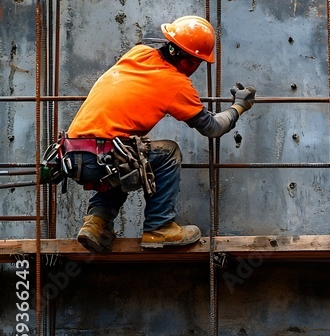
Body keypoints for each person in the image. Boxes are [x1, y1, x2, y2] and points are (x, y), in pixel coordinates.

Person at [63, 15, 256, 253]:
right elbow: (212, 128)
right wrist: (239, 106)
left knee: (126, 158)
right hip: (102, 155)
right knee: (166, 152)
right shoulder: (176, 83)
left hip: (72, 156)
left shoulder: (138, 53)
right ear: (190, 62)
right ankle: (160, 227)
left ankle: (96, 224)